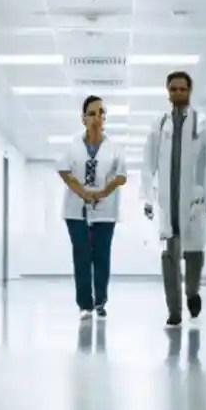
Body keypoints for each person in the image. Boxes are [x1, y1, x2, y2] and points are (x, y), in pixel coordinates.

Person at [141, 71, 206, 328]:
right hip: (168, 201)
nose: (177, 93)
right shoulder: (159, 124)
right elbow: (147, 163)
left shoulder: (202, 123)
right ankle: (174, 310)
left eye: (182, 89)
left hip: (194, 199)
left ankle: (192, 292)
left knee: (195, 253)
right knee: (170, 256)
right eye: (173, 89)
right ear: (168, 92)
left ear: (190, 91)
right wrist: (147, 197)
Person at [58, 95, 128, 320]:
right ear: (83, 118)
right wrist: (83, 193)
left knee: (101, 257)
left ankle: (100, 301)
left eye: (101, 113)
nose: (97, 118)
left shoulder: (114, 148)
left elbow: (121, 177)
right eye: (92, 113)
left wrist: (102, 193)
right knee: (81, 256)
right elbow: (64, 172)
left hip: (105, 212)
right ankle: (84, 305)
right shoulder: (72, 146)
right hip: (75, 211)